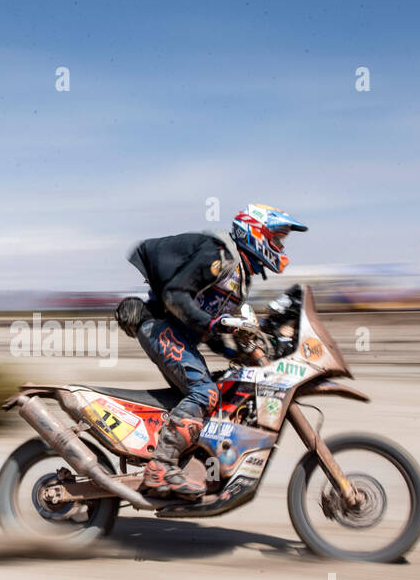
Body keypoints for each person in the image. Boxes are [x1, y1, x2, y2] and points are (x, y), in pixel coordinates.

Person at [115, 203, 307, 499]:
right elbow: (175, 295)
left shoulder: (239, 278)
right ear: (257, 233)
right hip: (159, 326)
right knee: (205, 393)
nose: (279, 246)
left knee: (226, 386)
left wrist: (235, 353)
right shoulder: (218, 254)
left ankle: (187, 461)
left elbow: (211, 329)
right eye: (276, 239)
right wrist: (214, 323)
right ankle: (161, 466)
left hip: (178, 334)